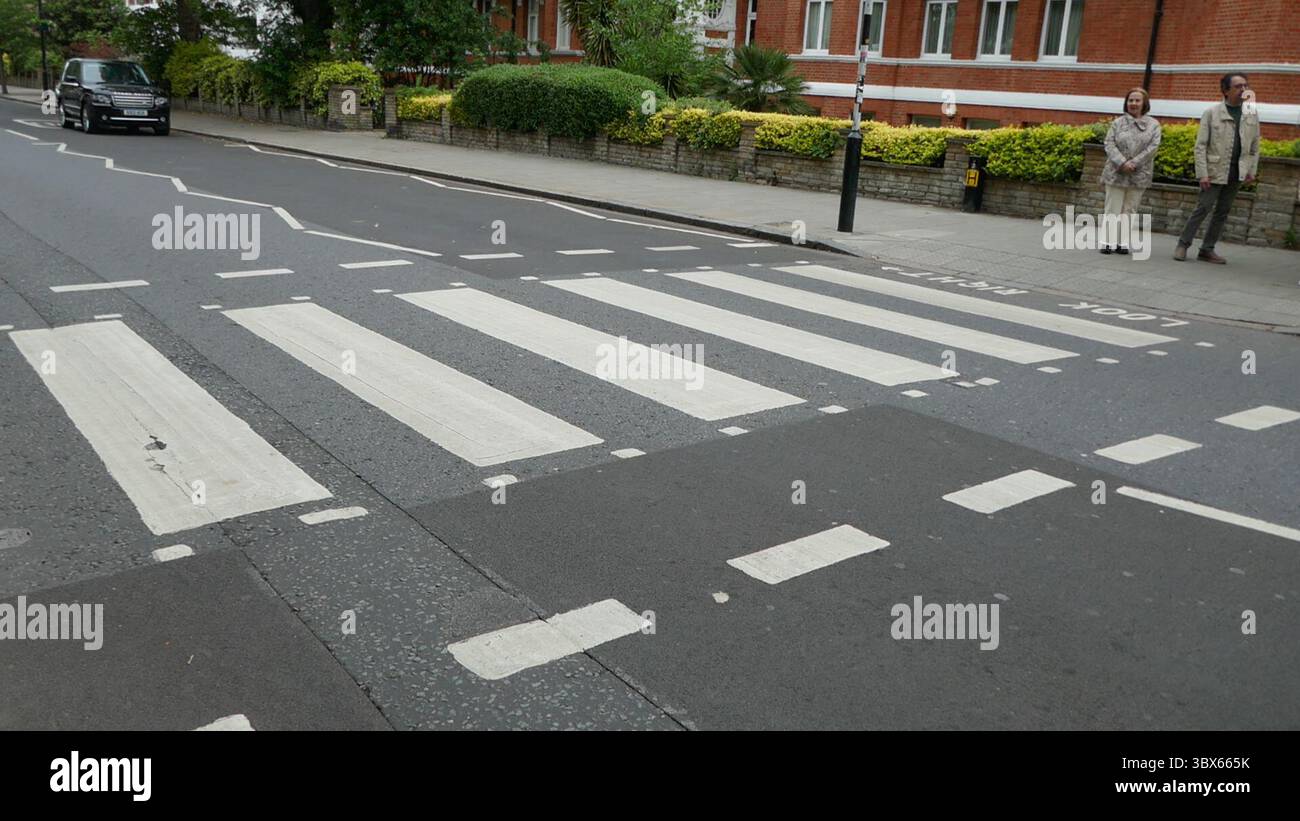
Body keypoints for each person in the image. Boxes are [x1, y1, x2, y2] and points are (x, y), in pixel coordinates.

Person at [1173, 73, 1260, 263]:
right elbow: (1201, 146)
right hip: (1214, 170)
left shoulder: (1251, 114)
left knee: (1222, 212)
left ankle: (1207, 249)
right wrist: (1202, 173)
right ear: (1226, 90)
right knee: (1203, 208)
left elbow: (1255, 146)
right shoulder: (1212, 113)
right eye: (1238, 86)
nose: (1243, 90)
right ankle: (1183, 244)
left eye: (1245, 86)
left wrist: (1251, 170)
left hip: (1237, 172)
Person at [1099, 88, 1161, 255]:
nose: (1133, 103)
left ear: (1144, 103)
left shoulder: (1154, 125)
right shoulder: (1117, 123)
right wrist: (1122, 162)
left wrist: (1134, 162)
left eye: (1137, 100)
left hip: (1139, 173)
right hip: (1116, 172)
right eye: (1130, 100)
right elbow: (1109, 143)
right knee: (1113, 207)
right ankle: (1107, 242)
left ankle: (1122, 242)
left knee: (1129, 209)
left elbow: (1153, 147)